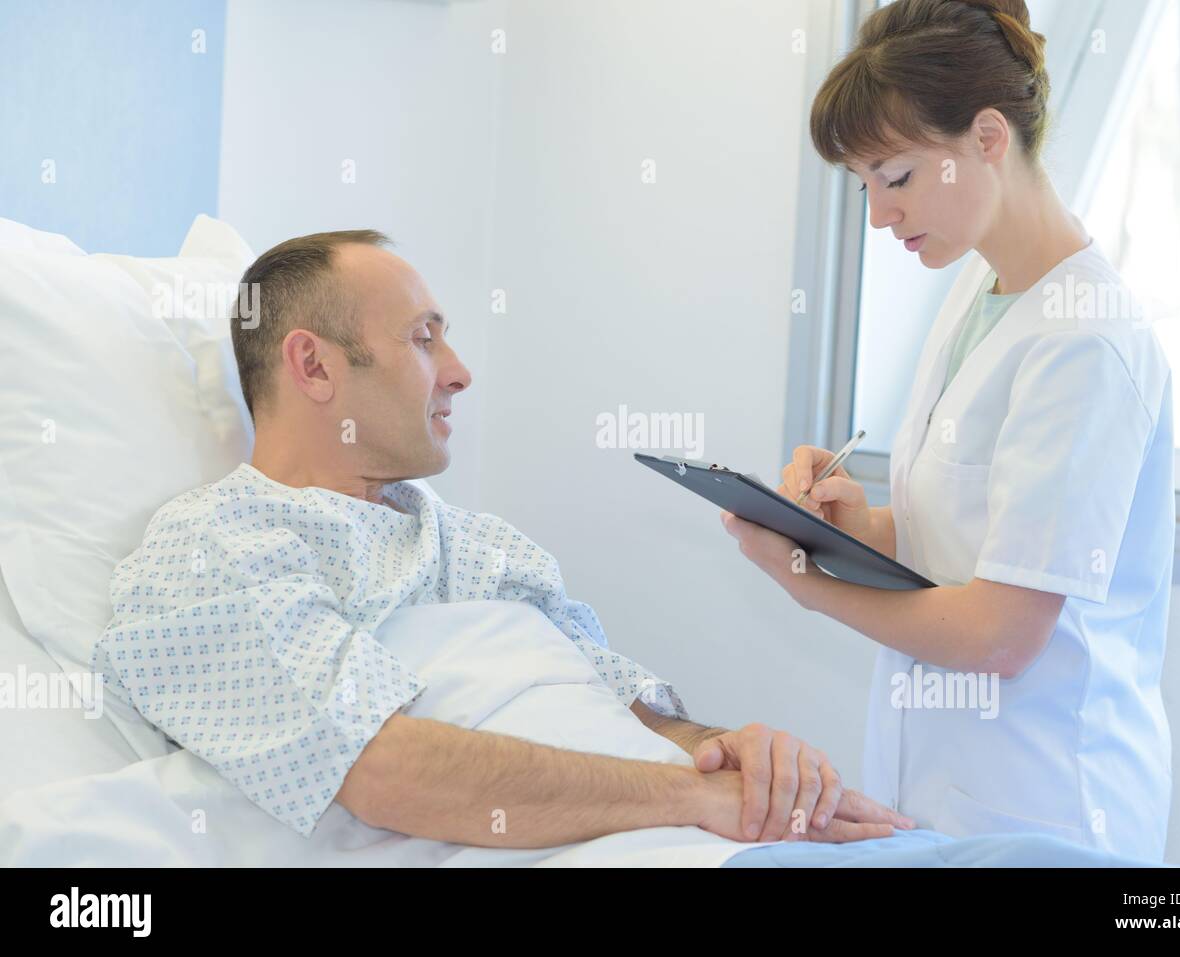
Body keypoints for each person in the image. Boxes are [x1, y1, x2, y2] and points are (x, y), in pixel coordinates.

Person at [91, 229, 913, 848]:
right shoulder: (213, 550)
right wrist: (696, 800)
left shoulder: (485, 547)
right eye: (423, 337)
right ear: (313, 367)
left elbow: (641, 717)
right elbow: (382, 770)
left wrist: (737, 754)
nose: (458, 370)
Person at [722, 0, 1174, 861]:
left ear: (989, 139)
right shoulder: (980, 292)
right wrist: (855, 528)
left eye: (896, 178)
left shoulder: (1088, 340)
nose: (879, 215)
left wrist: (806, 581)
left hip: (1049, 804)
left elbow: (1001, 632)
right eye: (863, 186)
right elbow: (971, 538)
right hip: (946, 789)